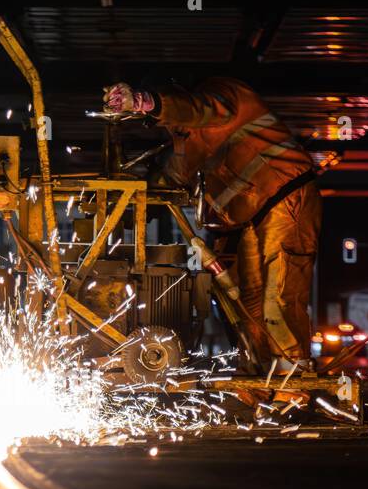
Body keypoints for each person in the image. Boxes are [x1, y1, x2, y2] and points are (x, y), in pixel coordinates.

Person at [104, 78, 322, 368]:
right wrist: (119, 211)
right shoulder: (189, 138)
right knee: (247, 306)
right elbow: (169, 182)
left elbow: (194, 109)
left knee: (278, 298)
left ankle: (294, 382)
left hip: (285, 199)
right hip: (249, 221)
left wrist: (145, 101)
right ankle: (259, 380)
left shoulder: (225, 97)